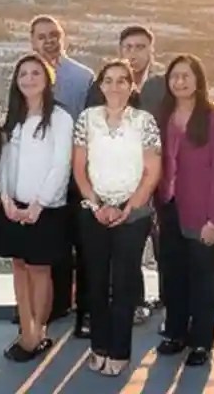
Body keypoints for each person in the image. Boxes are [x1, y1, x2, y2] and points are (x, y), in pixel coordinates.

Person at [72, 60, 162, 378]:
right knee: (96, 283)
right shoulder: (87, 119)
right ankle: (99, 346)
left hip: (132, 214)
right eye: (108, 80)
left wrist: (128, 207)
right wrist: (97, 205)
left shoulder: (145, 121)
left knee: (124, 284)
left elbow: (152, 171)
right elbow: (79, 167)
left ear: (131, 85)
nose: (114, 86)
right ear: (100, 85)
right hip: (93, 210)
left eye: (121, 80)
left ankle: (120, 351)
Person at [0, 54, 72, 362]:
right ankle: (26, 329)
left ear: (47, 78)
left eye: (35, 73)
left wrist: (39, 204)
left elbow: (60, 165)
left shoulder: (60, 118)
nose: (28, 79)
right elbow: (4, 162)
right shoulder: (14, 117)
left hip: (46, 209)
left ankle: (38, 333)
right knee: (19, 266)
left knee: (40, 270)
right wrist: (5, 198)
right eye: (23, 74)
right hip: (14, 207)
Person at [86, 25, 167, 324]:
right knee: (126, 247)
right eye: (128, 47)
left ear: (151, 51)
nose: (134, 53)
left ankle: (169, 302)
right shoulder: (105, 84)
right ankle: (133, 303)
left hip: (160, 179)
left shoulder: (162, 86)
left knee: (163, 246)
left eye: (140, 47)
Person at [153, 54, 214, 367]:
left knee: (203, 277)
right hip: (167, 206)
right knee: (173, 273)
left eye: (186, 75)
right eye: (174, 76)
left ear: (198, 80)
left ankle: (201, 341)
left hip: (202, 210)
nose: (180, 81)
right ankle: (176, 332)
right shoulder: (163, 116)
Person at [30, 15, 94, 335]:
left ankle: (86, 311)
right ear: (32, 42)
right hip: (41, 176)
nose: (49, 41)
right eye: (42, 36)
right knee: (50, 245)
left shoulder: (83, 77)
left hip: (77, 174)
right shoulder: (27, 75)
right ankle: (53, 307)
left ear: (63, 37)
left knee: (84, 246)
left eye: (54, 34)